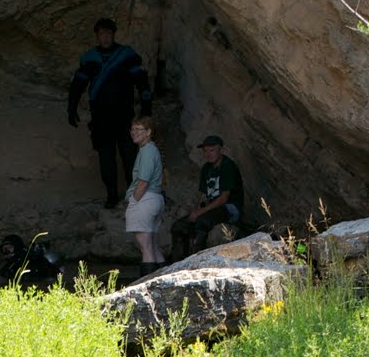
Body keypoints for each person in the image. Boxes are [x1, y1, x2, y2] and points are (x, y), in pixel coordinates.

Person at [67, 17, 153, 209]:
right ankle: (112, 196)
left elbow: (141, 81)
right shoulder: (89, 58)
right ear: (97, 36)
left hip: (124, 115)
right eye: (102, 34)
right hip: (101, 118)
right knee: (106, 158)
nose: (105, 37)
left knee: (129, 156)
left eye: (108, 33)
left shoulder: (126, 55)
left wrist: (147, 106)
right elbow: (78, 84)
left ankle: (135, 197)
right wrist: (71, 107)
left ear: (113, 34)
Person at [171, 134, 244, 260]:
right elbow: (203, 196)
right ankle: (179, 261)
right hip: (211, 208)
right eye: (205, 151)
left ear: (221, 150)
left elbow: (223, 198)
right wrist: (195, 211)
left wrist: (200, 213)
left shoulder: (228, 166)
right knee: (179, 226)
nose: (208, 154)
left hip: (230, 208)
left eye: (212, 150)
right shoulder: (206, 168)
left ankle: (199, 260)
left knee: (202, 222)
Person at [125, 115, 165, 274]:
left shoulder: (147, 151)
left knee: (146, 248)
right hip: (155, 199)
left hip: (145, 199)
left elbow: (143, 180)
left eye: (139, 129)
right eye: (132, 129)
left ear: (149, 132)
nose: (134, 132)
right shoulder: (150, 149)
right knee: (154, 247)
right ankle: (164, 282)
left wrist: (134, 201)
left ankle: (147, 289)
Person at [0, 233, 65, 289]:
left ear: (17, 247)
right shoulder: (8, 268)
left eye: (9, 248)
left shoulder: (33, 262)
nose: (6, 252)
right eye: (4, 249)